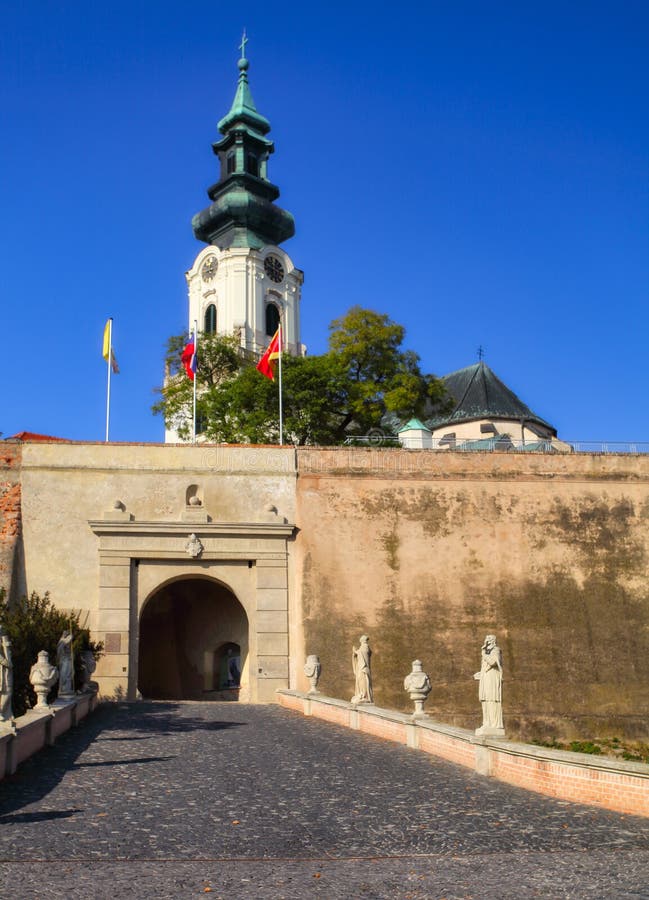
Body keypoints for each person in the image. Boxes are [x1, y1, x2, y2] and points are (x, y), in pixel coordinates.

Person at [474, 634, 504, 732]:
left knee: (491, 699)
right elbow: (486, 665)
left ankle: (493, 723)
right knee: (485, 700)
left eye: (488, 639)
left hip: (492, 678)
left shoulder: (496, 650)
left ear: (492, 640)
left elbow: (493, 662)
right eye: (486, 638)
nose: (486, 640)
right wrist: (481, 673)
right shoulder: (486, 651)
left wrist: (483, 654)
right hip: (486, 677)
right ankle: (486, 722)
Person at [351, 635, 373, 704]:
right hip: (361, 668)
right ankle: (360, 694)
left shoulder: (366, 647)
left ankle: (364, 696)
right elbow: (359, 654)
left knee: (363, 681)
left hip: (363, 669)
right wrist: (355, 653)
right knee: (360, 681)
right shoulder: (362, 647)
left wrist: (356, 651)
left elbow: (363, 654)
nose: (363, 642)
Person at [0, 628, 14, 724]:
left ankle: (3, 711)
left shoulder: (3, 638)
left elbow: (8, 655)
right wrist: (3, 661)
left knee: (8, 691)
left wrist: (6, 645)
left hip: (6, 669)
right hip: (3, 666)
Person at [57, 630, 74, 696]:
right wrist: (70, 637)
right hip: (64, 661)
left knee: (69, 674)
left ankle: (67, 689)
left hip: (68, 661)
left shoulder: (66, 645)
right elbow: (65, 642)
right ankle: (64, 689)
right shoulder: (61, 642)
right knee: (64, 675)